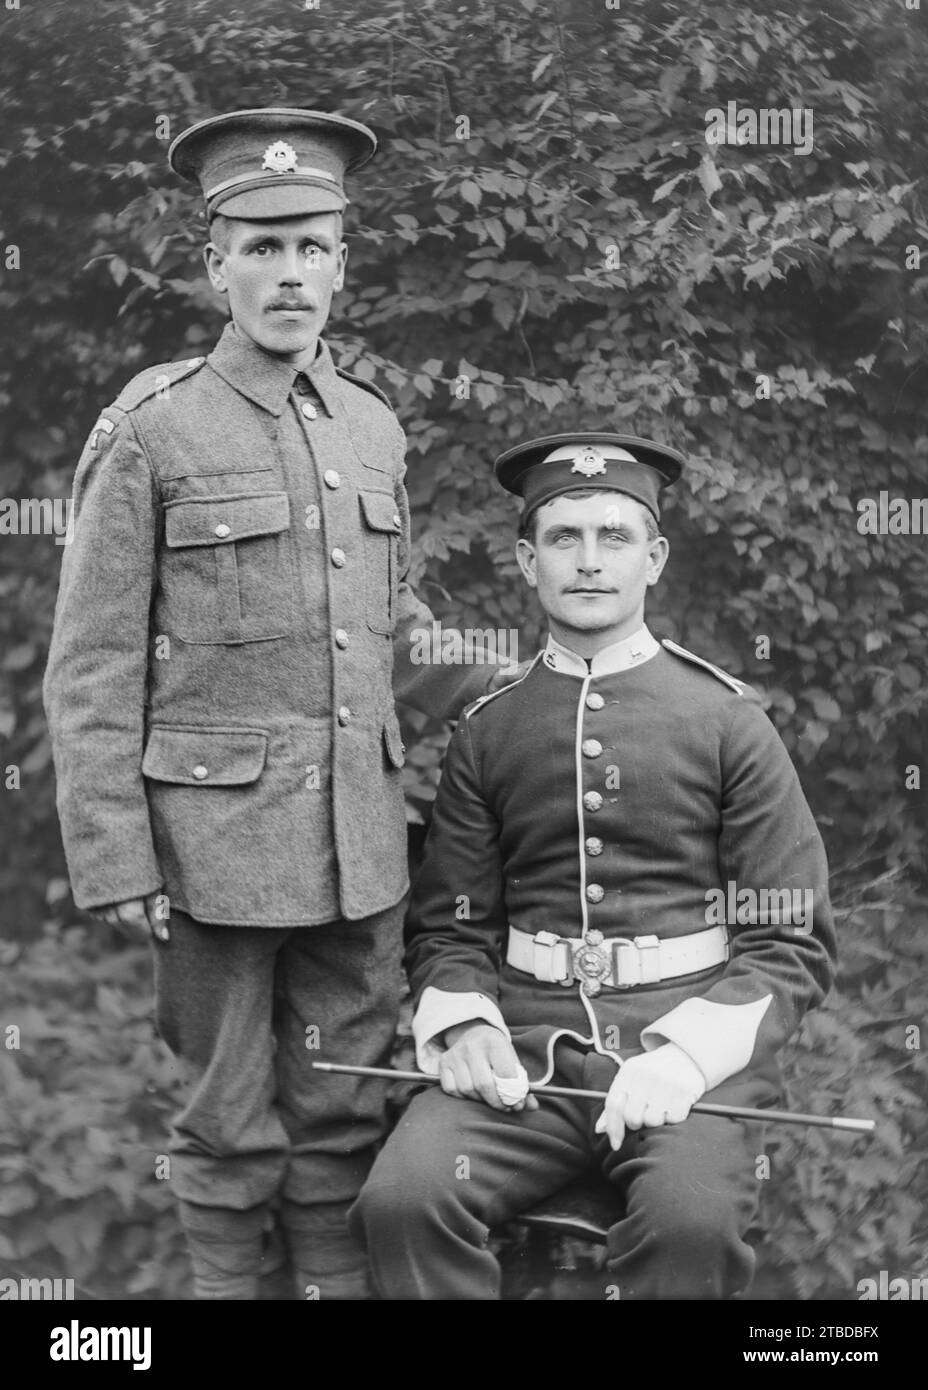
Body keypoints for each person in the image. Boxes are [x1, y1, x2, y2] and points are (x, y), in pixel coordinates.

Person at [43, 108, 512, 1301]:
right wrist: (117, 855)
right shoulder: (155, 428)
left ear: (342, 264)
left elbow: (382, 635)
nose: (289, 273)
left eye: (311, 247)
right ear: (215, 265)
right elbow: (91, 658)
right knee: (223, 1125)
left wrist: (517, 677)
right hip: (209, 849)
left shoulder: (371, 427)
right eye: (261, 247)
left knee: (342, 1117)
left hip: (358, 842)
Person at [350, 432, 837, 1300]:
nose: (589, 562)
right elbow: (452, 928)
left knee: (691, 1224)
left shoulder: (728, 722)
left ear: (653, 559)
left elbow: (790, 939)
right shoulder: (490, 727)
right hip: (525, 1056)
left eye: (614, 538)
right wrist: (466, 1025)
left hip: (681, 1050)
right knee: (403, 1199)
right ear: (526, 559)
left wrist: (685, 1058)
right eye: (565, 539)